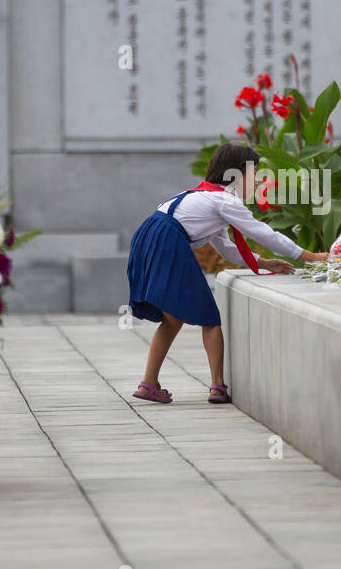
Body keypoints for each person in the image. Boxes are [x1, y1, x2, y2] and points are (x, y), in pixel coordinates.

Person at [127, 143, 327, 404]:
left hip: (149, 238)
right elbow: (263, 233)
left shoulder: (203, 195)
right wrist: (310, 256)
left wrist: (263, 262)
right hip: (167, 242)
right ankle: (217, 386)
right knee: (209, 317)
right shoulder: (224, 200)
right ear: (237, 175)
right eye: (255, 174)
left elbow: (224, 247)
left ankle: (148, 384)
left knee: (173, 318)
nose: (257, 181)